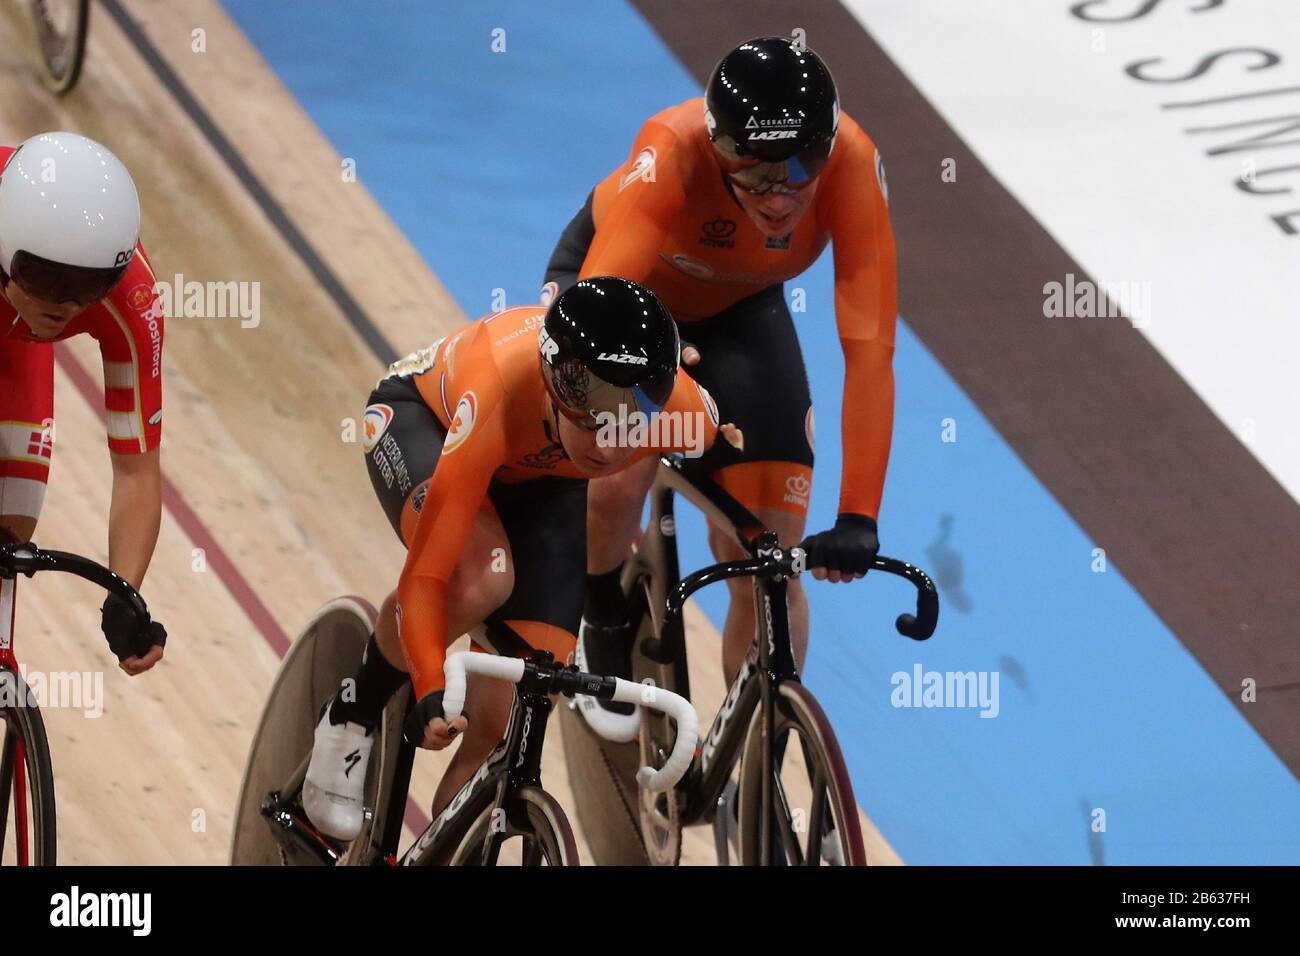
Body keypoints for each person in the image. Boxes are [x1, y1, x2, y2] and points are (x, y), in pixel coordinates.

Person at [541, 37, 899, 736]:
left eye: (800, 168)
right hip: (625, 303)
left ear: (826, 149)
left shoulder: (853, 163)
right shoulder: (672, 148)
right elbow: (605, 308)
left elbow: (871, 352)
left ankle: (760, 744)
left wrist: (859, 515)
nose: (780, 194)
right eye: (753, 170)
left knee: (767, 556)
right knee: (614, 480)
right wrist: (654, 404)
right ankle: (602, 614)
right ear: (716, 148)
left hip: (741, 311)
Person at [303, 276, 728, 841]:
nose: (606, 447)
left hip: (541, 484)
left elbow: (716, 424)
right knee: (482, 575)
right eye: (589, 419)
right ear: (555, 387)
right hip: (425, 426)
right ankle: (351, 715)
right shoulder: (500, 387)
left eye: (625, 422)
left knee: (521, 704)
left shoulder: (682, 414)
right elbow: (426, 575)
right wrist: (428, 680)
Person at [0, 131, 167, 672]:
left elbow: (137, 469)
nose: (64, 303)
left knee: (8, 532)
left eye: (89, 286)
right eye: (46, 278)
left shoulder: (132, 298)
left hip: (16, 359)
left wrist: (125, 594)